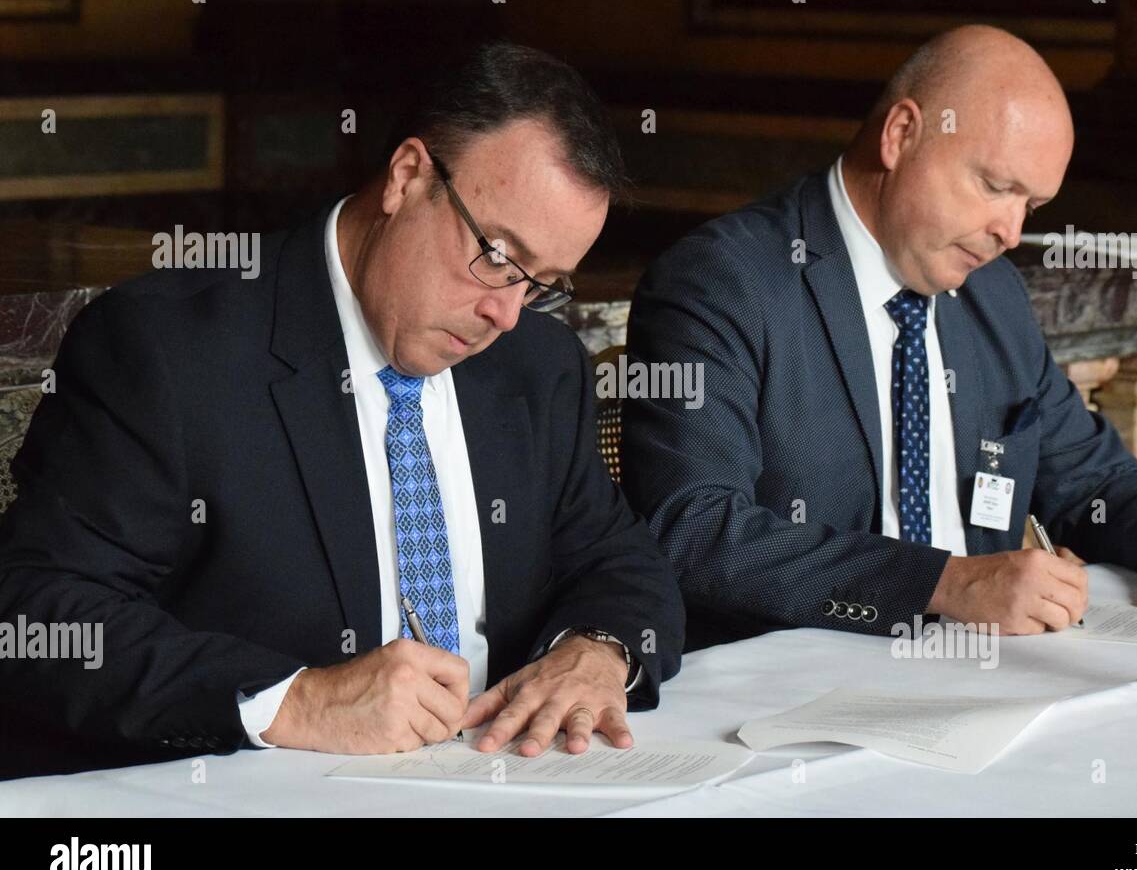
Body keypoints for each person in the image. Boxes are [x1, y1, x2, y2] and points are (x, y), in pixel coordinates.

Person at [0, 42, 683, 779]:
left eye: (543, 283)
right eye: (497, 254)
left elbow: (619, 558)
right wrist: (299, 702)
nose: (507, 313)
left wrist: (597, 650)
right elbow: (36, 614)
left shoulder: (537, 366)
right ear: (408, 176)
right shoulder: (170, 353)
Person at [622, 25, 1137, 650]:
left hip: (985, 674)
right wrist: (942, 584)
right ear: (901, 134)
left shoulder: (992, 295)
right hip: (787, 686)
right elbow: (696, 531)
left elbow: (1090, 476)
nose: (1011, 232)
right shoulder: (724, 281)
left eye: (1032, 206)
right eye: (995, 186)